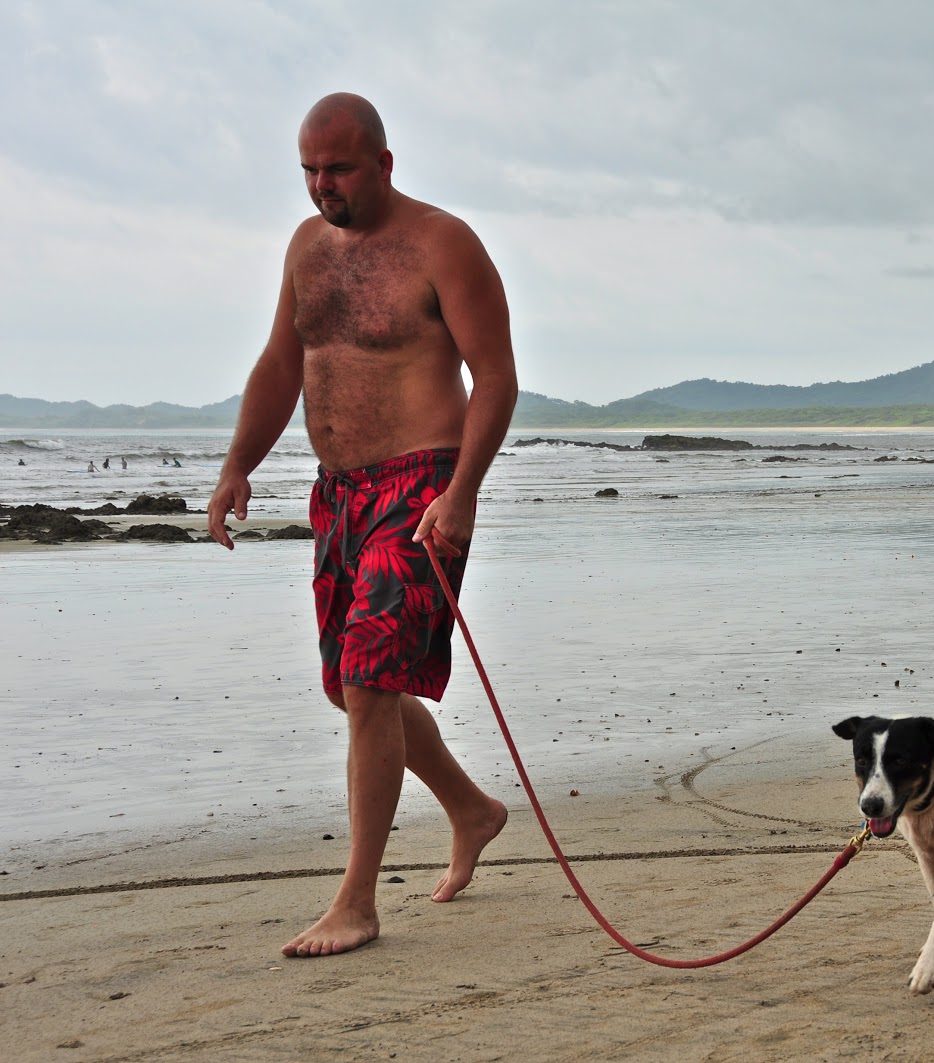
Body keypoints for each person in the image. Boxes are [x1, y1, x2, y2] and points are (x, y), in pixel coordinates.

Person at [206, 92, 518, 959]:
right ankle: (471, 807)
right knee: (354, 683)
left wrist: (461, 492)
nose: (321, 187)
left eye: (337, 168)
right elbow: (282, 362)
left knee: (372, 681)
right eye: (308, 171)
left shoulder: (442, 244)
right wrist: (238, 465)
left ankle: (356, 900)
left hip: (422, 486)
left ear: (383, 161)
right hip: (337, 492)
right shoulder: (307, 249)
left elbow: (495, 375)